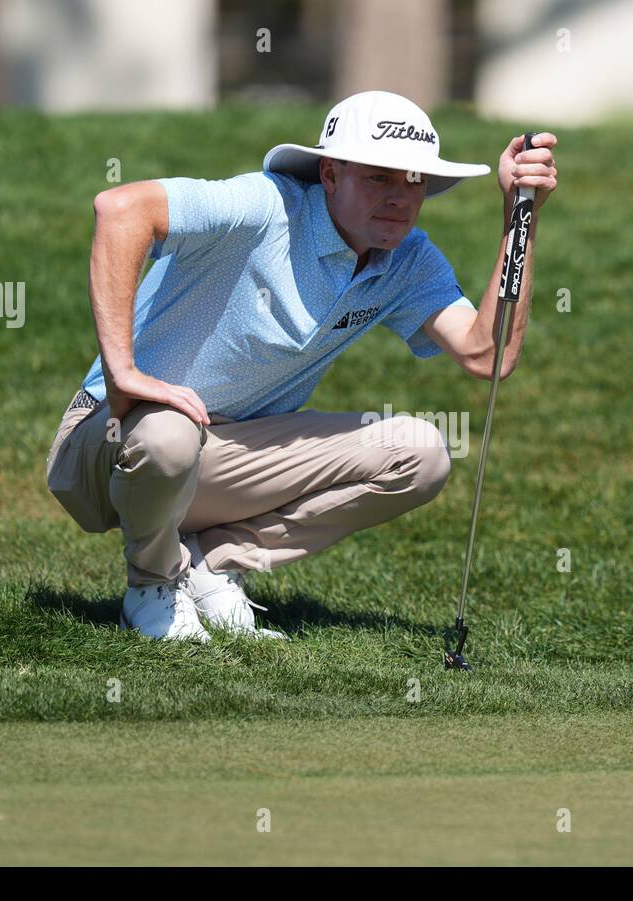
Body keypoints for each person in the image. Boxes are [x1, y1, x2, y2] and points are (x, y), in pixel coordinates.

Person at [45, 90, 559, 642]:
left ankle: (211, 565)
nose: (399, 198)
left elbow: (489, 353)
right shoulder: (263, 204)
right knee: (168, 435)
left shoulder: (408, 257)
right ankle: (150, 587)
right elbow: (122, 208)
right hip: (108, 444)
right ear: (331, 175)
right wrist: (123, 373)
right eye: (378, 177)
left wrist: (517, 217)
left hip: (223, 457)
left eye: (413, 181)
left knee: (421, 453)